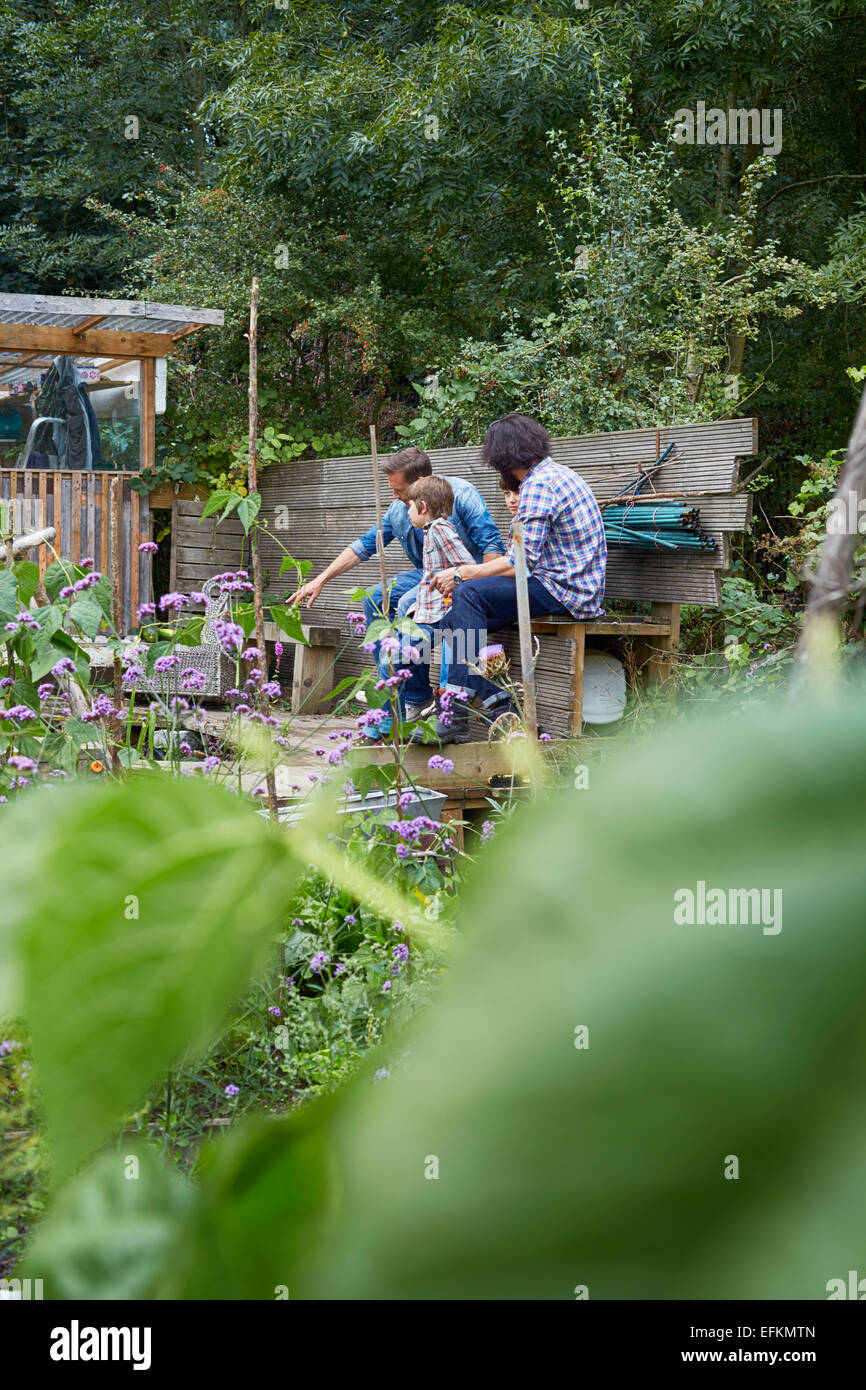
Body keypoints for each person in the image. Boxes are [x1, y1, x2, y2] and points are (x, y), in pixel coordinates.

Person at [427, 413, 607, 744]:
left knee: (467, 595)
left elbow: (519, 565)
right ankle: (481, 706)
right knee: (455, 619)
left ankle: (471, 709)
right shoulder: (558, 474)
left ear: (503, 456)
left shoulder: (538, 484)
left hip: (565, 590)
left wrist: (464, 572)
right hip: (567, 584)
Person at [290, 446, 504, 718]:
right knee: (375, 598)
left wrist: (476, 588)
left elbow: (491, 545)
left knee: (410, 605)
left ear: (419, 488)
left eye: (399, 490)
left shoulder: (462, 494)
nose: (394, 497)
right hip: (427, 574)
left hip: (466, 576)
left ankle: (448, 704)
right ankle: (411, 696)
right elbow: (366, 545)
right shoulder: (397, 510)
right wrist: (319, 580)